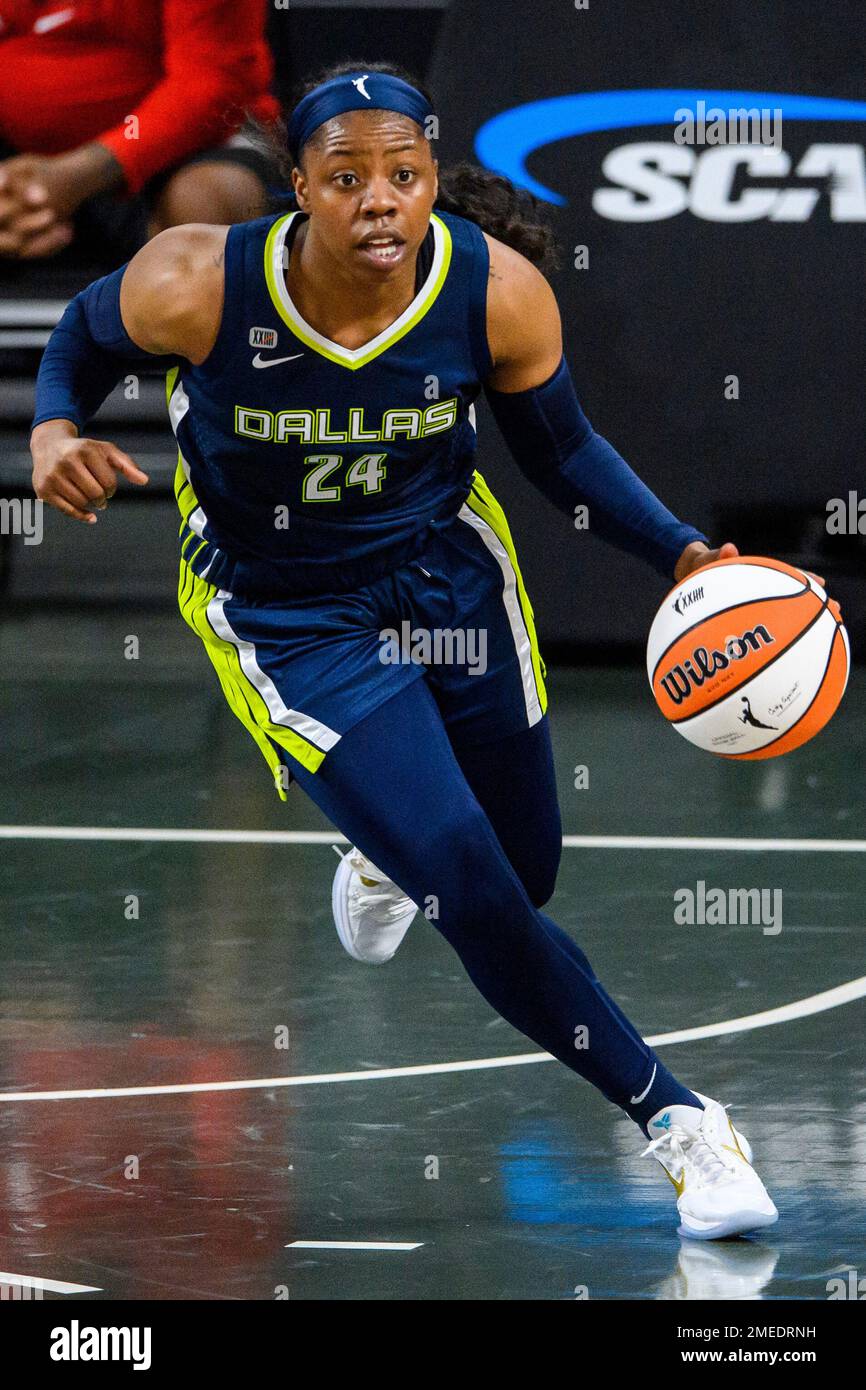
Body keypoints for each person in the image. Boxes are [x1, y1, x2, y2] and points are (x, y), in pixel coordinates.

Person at [30, 59, 780, 1241]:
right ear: (298, 191)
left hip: (447, 578)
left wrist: (683, 555)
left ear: (432, 180)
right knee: (467, 879)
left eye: (403, 175)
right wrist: (55, 428)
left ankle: (386, 851)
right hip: (286, 614)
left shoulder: (497, 292)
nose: (377, 201)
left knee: (520, 873)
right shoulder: (197, 281)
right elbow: (79, 336)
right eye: (346, 179)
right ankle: (677, 1119)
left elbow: (565, 453)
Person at [0, 0, 280, 263]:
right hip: (18, 152)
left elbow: (211, 82)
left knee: (208, 200)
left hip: (181, 140)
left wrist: (86, 169)